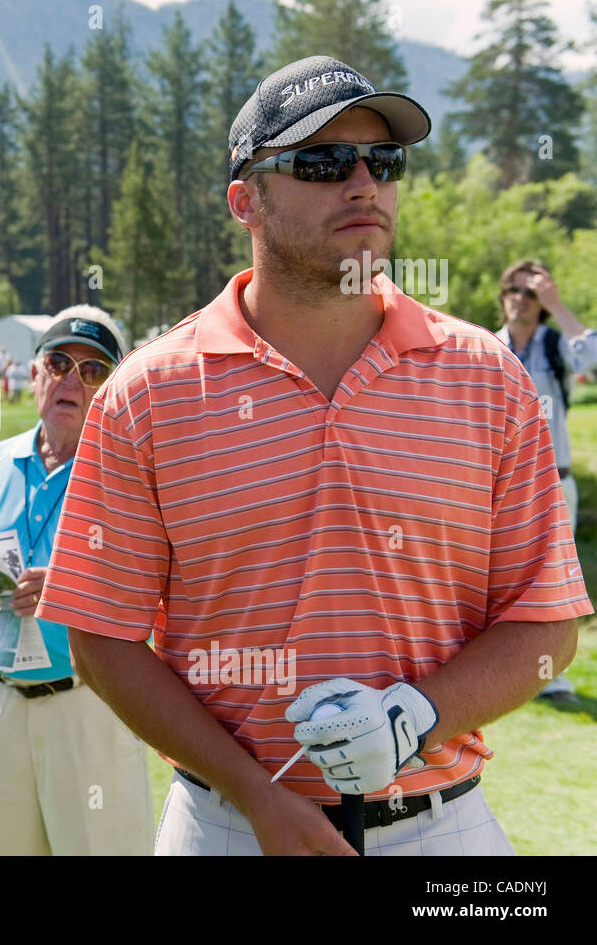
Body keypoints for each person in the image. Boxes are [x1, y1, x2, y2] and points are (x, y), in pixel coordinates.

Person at [36, 55, 589, 856]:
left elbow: (545, 628)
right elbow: (101, 635)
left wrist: (413, 717)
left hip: (443, 830)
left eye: (383, 161)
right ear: (245, 200)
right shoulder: (145, 394)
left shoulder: (490, 379)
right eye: (325, 162)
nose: (363, 183)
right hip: (226, 823)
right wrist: (257, 794)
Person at [0, 305, 154, 855]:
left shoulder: (128, 473)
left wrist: (69, 586)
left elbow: (158, 594)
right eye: (59, 363)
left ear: (114, 387)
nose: (72, 381)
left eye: (93, 371)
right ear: (34, 375)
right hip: (0, 701)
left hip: (91, 708)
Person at [494, 260, 594, 702]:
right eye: (514, 290)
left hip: (554, 482)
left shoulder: (556, 345)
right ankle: (496, 675)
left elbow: (592, 359)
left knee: (554, 586)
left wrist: (557, 302)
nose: (521, 298)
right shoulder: (483, 348)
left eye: (531, 294)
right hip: (494, 486)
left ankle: (552, 680)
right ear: (502, 296)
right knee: (492, 584)